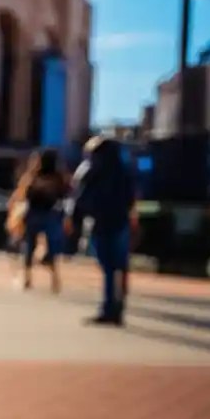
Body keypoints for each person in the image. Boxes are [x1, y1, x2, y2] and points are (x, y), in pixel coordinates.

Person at [68, 137, 137, 326]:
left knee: (108, 266)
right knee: (119, 267)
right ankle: (118, 306)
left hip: (102, 221)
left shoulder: (90, 170)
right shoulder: (123, 171)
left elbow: (79, 198)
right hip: (119, 220)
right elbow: (131, 198)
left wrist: (75, 221)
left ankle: (109, 307)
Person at [11, 149, 70, 293]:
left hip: (37, 213)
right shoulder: (57, 177)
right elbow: (65, 195)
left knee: (31, 246)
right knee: (46, 245)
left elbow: (21, 194)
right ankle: (51, 278)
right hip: (46, 213)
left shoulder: (34, 176)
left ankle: (29, 278)